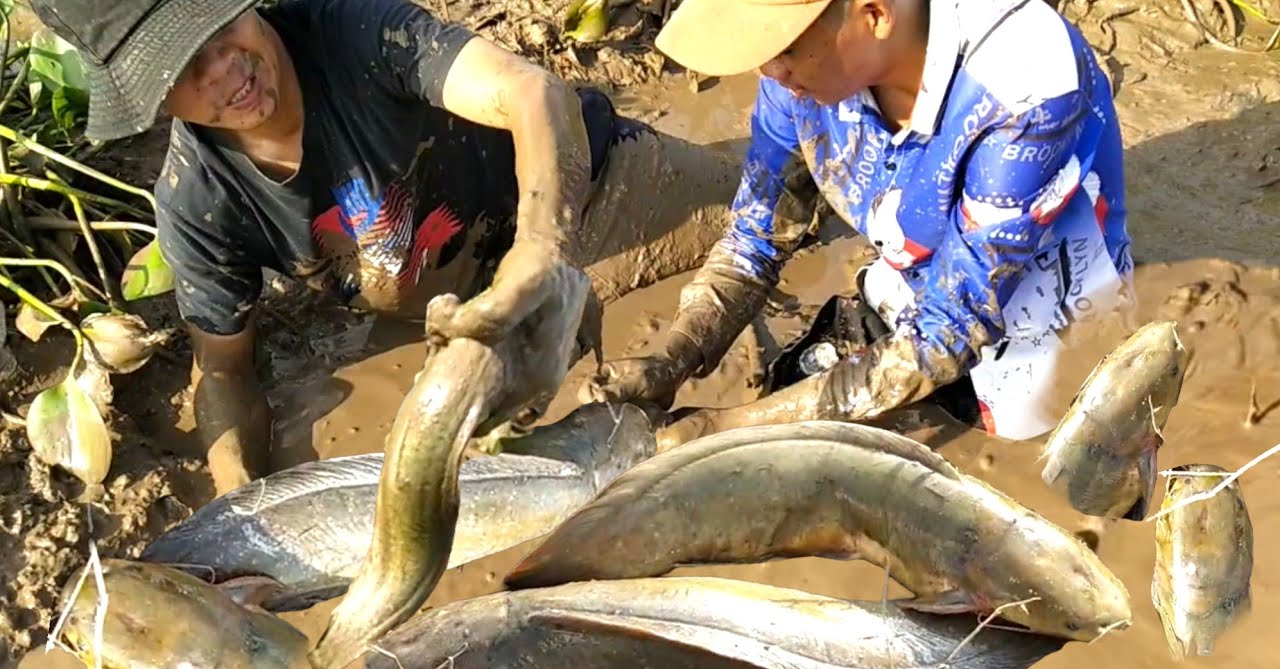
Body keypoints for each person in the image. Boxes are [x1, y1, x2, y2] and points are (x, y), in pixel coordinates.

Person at [31, 0, 743, 491]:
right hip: (462, 318)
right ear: (156, 103)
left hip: (600, 197)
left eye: (217, 32)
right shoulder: (198, 204)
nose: (224, 72)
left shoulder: (352, 30)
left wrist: (541, 246)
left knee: (792, 220)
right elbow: (225, 376)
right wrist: (243, 506)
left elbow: (533, 95)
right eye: (184, 71)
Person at [585, 0, 1136, 448]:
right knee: (791, 423)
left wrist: (720, 428)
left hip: (1040, 304)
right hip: (910, 266)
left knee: (1024, 429)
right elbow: (756, 234)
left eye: (785, 50)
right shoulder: (793, 81)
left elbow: (949, 330)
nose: (770, 73)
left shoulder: (1021, 83)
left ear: (873, 15)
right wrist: (673, 357)